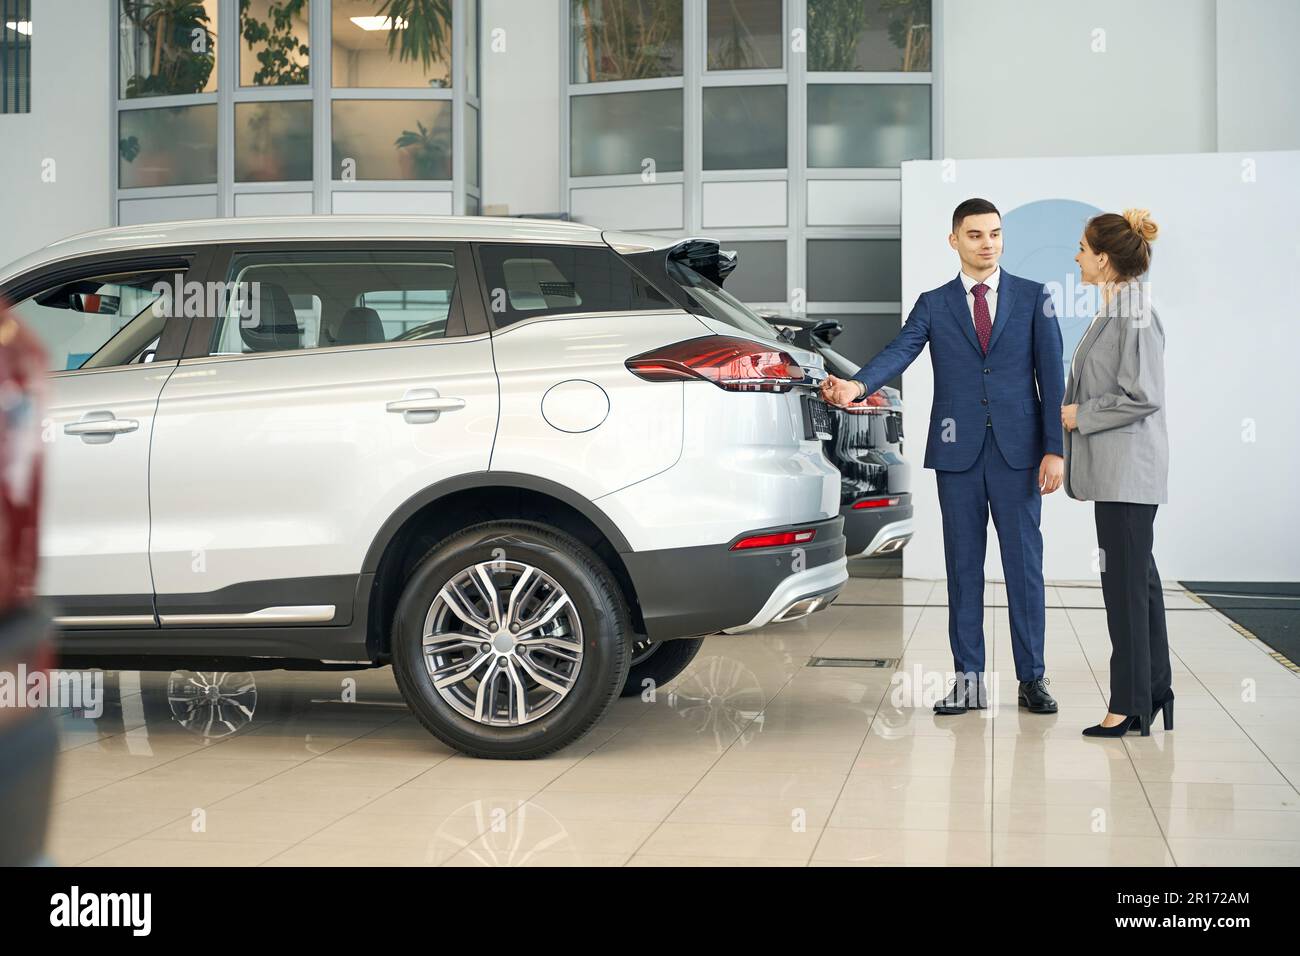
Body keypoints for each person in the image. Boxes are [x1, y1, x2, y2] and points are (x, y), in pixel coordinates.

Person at [822, 198, 1065, 716]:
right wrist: (859, 386)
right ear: (955, 240)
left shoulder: (1034, 297)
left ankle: (1033, 679)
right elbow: (899, 351)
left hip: (1020, 455)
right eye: (975, 235)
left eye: (995, 234)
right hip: (958, 457)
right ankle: (969, 680)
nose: (988, 243)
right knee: (963, 568)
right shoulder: (934, 303)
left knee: (1025, 568)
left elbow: (1052, 376)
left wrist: (1054, 450)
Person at [1061, 209, 1171, 737]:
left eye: (1083, 248)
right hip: (1119, 471)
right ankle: (1153, 689)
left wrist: (1080, 415)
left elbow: (1143, 396)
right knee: (1139, 581)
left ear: (1103, 259)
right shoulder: (1118, 309)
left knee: (1123, 588)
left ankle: (1127, 704)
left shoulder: (1136, 314)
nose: (1077, 256)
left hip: (1128, 471)